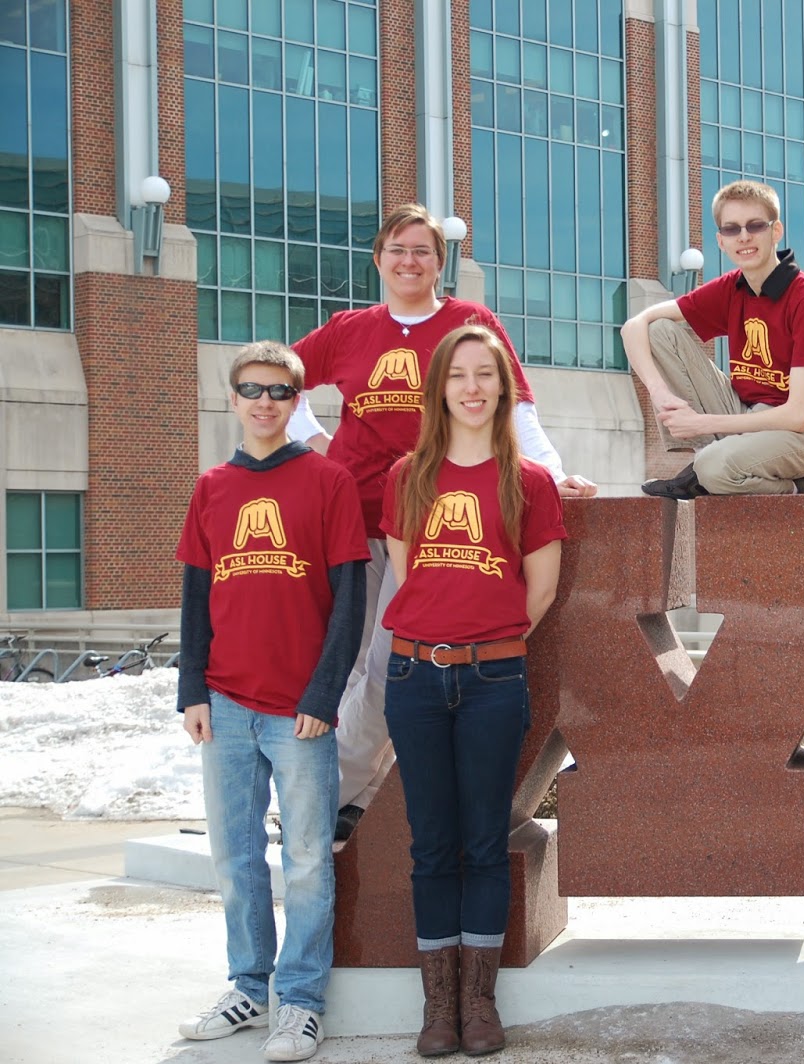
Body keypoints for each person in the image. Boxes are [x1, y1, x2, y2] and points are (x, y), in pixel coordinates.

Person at [288, 203, 595, 840]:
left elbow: (516, 408)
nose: (409, 261)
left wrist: (551, 472)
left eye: (422, 251)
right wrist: (318, 452)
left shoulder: (468, 323)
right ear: (378, 260)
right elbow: (279, 382)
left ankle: (319, 798)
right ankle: (356, 797)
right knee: (341, 663)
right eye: (397, 249)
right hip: (349, 522)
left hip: (429, 531)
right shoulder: (350, 329)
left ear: (439, 262)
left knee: (384, 664)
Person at [175, 342, 370, 1061]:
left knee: (310, 859)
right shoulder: (212, 487)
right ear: (233, 399)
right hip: (224, 704)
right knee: (235, 856)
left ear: (296, 402)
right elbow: (198, 595)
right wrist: (190, 688)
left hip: (300, 711)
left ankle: (302, 1002)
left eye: (279, 391)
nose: (264, 401)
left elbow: (351, 598)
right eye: (251, 389)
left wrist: (325, 692)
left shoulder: (327, 482)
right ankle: (250, 987)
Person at [380, 324, 566, 1056]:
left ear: (503, 387)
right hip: (413, 676)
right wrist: (438, 638)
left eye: (485, 373)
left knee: (484, 842)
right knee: (431, 845)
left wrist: (481, 638)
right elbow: (406, 575)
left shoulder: (531, 482)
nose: (472, 386)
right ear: (439, 389)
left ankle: (479, 1004)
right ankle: (439, 1005)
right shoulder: (407, 477)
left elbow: (541, 590)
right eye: (458, 374)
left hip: (494, 677)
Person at [620, 179, 804, 498]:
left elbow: (797, 416)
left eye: (755, 226)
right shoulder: (733, 287)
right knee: (658, 330)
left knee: (714, 467)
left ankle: (798, 487)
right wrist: (659, 394)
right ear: (721, 241)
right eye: (731, 229)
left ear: (775, 231)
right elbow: (634, 325)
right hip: (746, 414)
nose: (743, 237)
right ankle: (710, 463)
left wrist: (699, 423)